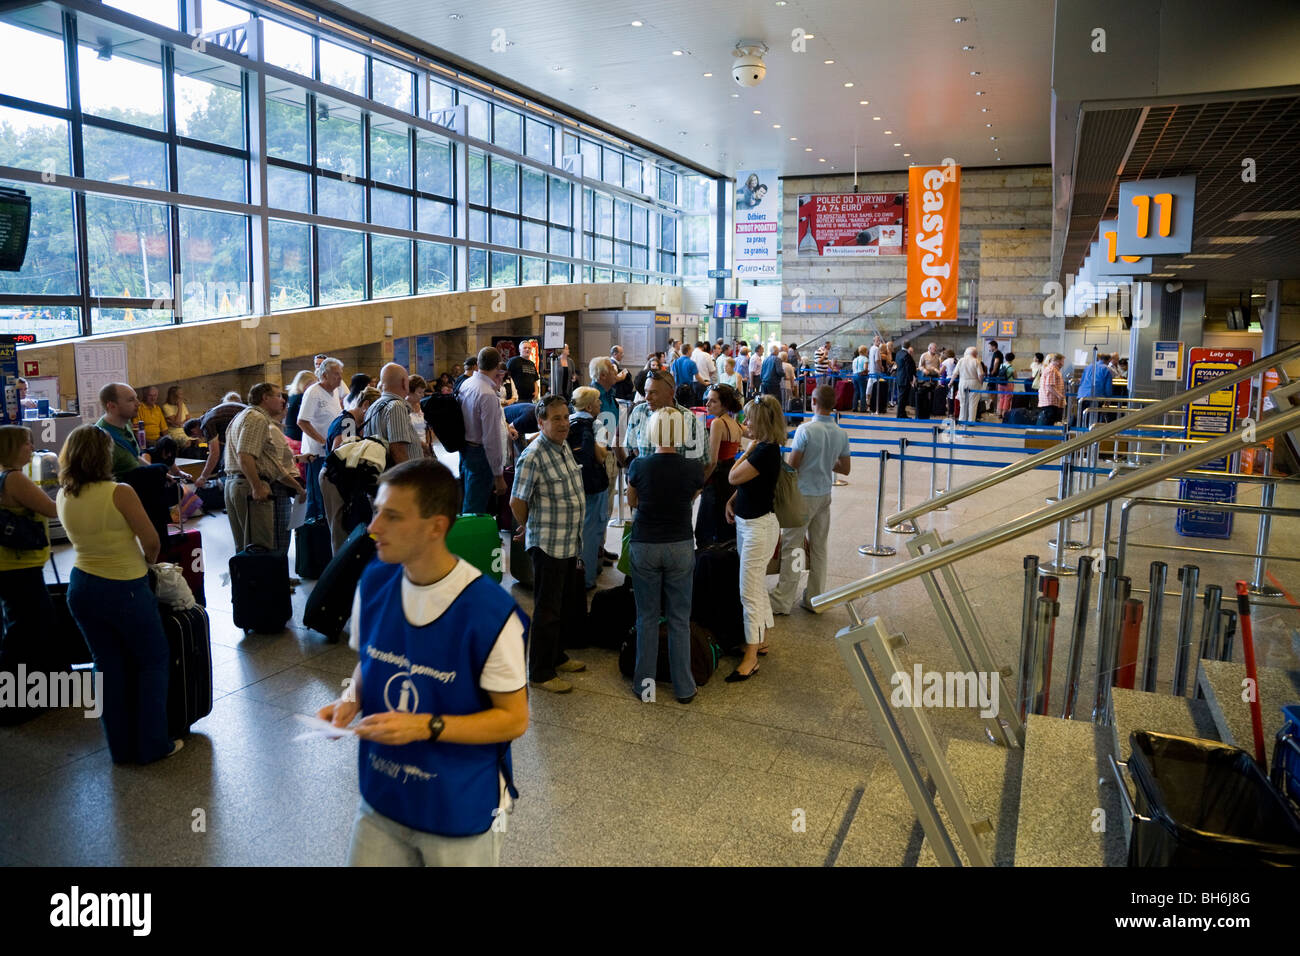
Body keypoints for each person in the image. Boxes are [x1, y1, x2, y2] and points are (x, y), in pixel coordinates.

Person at [317, 458, 528, 867]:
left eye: (392, 516)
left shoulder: (489, 612)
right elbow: (372, 660)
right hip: (383, 798)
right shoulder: (375, 581)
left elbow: (513, 720)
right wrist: (350, 700)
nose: (374, 526)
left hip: (457, 808)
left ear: (436, 526)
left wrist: (424, 726)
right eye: (377, 510)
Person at [56, 425, 180, 764]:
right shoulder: (119, 491)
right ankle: (155, 744)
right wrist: (145, 566)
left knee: (106, 666)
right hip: (124, 586)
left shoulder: (64, 493)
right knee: (152, 660)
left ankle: (121, 749)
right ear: (103, 455)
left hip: (81, 586)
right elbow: (151, 539)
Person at [626, 407, 705, 704]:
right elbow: (691, 496)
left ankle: (645, 686)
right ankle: (684, 687)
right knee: (679, 619)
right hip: (680, 544)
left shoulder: (639, 465)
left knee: (646, 617)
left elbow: (632, 501)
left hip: (645, 542)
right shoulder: (693, 467)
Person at [509, 395, 587, 694]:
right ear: (541, 422)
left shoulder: (562, 445)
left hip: (568, 541)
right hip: (547, 543)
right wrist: (529, 525)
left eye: (566, 417)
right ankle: (541, 672)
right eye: (556, 419)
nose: (564, 423)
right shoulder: (533, 455)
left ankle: (557, 655)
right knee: (547, 609)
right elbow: (517, 500)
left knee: (562, 605)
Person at [769, 386, 851, 616]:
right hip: (824, 495)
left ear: (813, 401)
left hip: (802, 496)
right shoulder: (840, 433)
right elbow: (845, 468)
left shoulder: (805, 430)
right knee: (819, 547)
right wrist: (825, 463)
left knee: (793, 546)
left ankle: (784, 598)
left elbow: (793, 465)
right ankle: (815, 598)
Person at [725, 394, 784, 681]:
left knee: (748, 591)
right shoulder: (762, 448)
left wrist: (746, 450)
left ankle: (750, 657)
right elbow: (746, 484)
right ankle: (760, 639)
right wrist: (733, 501)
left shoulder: (764, 451)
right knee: (756, 586)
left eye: (749, 418)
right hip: (749, 523)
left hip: (759, 528)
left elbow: (733, 477)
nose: (744, 423)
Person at [0, 426, 59, 677]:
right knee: (28, 628)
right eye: (27, 443)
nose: (32, 448)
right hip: (20, 567)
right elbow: (51, 509)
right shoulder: (15, 478)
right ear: (12, 446)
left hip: (11, 565)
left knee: (21, 625)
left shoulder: (4, 476)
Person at [223, 382, 305, 553]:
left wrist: (297, 487)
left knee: (245, 547)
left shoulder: (242, 416)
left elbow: (271, 465)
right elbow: (244, 456)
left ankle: (253, 580)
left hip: (235, 483)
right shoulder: (256, 418)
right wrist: (257, 486)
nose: (282, 401)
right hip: (247, 486)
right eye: (278, 396)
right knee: (259, 546)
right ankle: (263, 581)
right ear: (265, 398)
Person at [95, 383, 177, 540]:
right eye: (131, 400)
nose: (138, 403)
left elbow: (135, 456)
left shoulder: (125, 424)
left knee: (161, 465)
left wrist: (160, 473)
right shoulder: (101, 437)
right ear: (112, 406)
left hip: (138, 490)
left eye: (137, 398)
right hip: (122, 495)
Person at [320, 386, 380, 553]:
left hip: (340, 477)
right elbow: (340, 452)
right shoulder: (347, 421)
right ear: (365, 405)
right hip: (335, 478)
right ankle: (341, 568)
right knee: (339, 525)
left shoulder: (349, 420)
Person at [625, 370, 711, 472]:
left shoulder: (690, 420)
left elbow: (702, 463)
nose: (647, 397)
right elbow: (633, 446)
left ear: (671, 393)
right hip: (646, 484)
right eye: (646, 391)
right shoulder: (639, 412)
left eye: (653, 392)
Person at [567, 387, 610, 590]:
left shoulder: (568, 422)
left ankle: (574, 573)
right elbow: (601, 456)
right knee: (592, 531)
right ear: (591, 405)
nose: (601, 404)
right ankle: (588, 578)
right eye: (598, 401)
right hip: (594, 484)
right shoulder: (597, 424)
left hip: (573, 484)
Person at [459, 348, 509, 515]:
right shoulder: (487, 394)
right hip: (481, 453)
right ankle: (471, 539)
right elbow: (491, 438)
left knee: (470, 499)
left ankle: (470, 537)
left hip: (466, 448)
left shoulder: (467, 384)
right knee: (477, 507)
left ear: (478, 363)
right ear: (497, 365)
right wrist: (499, 475)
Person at [296, 357, 345, 523]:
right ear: (324, 375)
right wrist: (323, 441)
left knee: (329, 493)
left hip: (331, 451)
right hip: (316, 453)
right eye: (336, 374)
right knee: (317, 495)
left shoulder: (335, 391)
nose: (340, 378)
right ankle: (315, 527)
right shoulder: (314, 392)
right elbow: (302, 421)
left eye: (340, 374)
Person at [694, 384, 741, 547]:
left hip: (716, 480)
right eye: (707, 400)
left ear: (724, 404)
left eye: (712, 401)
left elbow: (712, 460)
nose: (707, 404)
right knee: (725, 530)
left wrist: (699, 485)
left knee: (706, 532)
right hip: (730, 477)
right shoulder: (734, 423)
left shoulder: (718, 423)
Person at [364, 363, 421, 466]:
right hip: (399, 477)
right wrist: (410, 478)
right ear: (404, 383)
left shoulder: (374, 406)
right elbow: (397, 449)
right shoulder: (396, 406)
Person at [193, 394, 246, 490]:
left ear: (193, 431)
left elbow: (214, 454)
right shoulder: (208, 416)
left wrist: (203, 477)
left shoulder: (206, 424)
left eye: (196, 436)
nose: (200, 438)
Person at [1076, 352, 1115, 423]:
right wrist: (1108, 398)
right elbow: (1108, 387)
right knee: (1093, 418)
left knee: (1083, 417)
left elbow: (1082, 381)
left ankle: (1081, 432)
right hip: (1096, 395)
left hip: (1082, 394)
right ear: (1109, 360)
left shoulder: (1088, 366)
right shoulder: (1106, 369)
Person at [284, 370, 316, 443]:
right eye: (312, 385)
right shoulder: (301, 398)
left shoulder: (292, 396)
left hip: (289, 435)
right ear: (305, 384)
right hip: (298, 438)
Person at [955, 347, 984, 424]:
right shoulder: (976, 361)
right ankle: (971, 421)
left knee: (963, 402)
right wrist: (981, 383)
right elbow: (981, 374)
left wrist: (950, 382)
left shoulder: (961, 360)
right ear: (974, 354)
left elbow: (955, 373)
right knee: (973, 403)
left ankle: (962, 420)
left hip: (963, 382)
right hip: (974, 382)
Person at [1038, 353, 1067, 426]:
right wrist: (1059, 395)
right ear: (1057, 361)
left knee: (1051, 422)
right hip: (1050, 401)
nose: (1063, 364)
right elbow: (1049, 385)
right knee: (1049, 424)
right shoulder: (1052, 370)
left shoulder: (1054, 370)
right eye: (1062, 361)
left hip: (1052, 401)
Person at [894, 344, 917, 419]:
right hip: (905, 379)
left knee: (902, 397)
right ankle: (900, 414)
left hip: (899, 377)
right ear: (908, 346)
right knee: (903, 398)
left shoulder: (898, 353)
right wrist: (911, 379)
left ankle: (902, 413)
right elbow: (908, 368)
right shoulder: (906, 355)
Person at [851, 345, 870, 413]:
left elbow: (853, 369)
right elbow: (865, 369)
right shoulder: (865, 359)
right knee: (862, 392)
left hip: (854, 376)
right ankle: (863, 408)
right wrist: (867, 371)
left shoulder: (855, 359)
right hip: (861, 377)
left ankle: (854, 407)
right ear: (865, 351)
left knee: (856, 392)